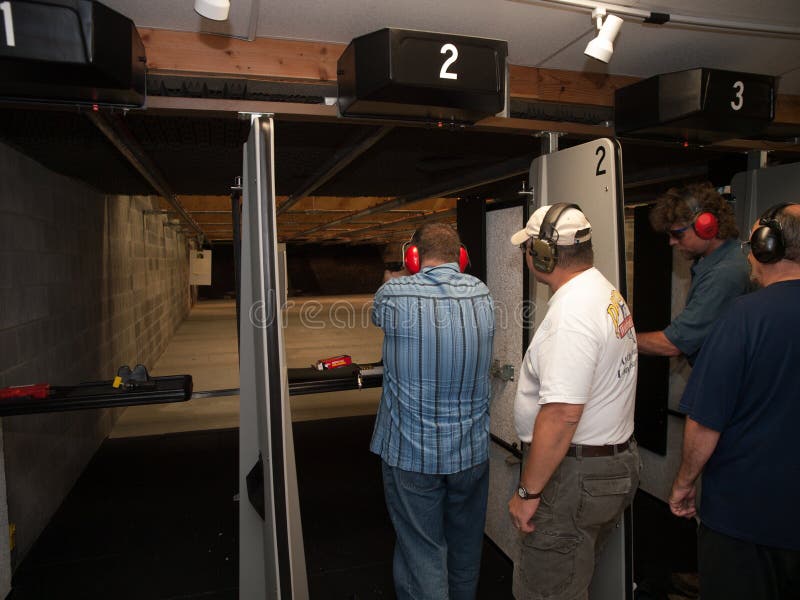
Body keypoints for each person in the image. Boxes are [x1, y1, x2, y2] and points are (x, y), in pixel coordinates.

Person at [507, 203, 640, 600]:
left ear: (543, 254)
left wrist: (528, 494)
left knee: (546, 591)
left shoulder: (572, 315)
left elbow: (563, 414)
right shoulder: (603, 291)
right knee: (572, 578)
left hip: (573, 476)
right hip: (605, 465)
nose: (527, 257)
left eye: (528, 249)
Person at [669, 203, 800, 600]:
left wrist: (684, 483)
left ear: (767, 248)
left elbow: (706, 420)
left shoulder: (744, 316)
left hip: (745, 518)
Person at [370, 222, 495, 600]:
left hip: (412, 453)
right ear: (460, 257)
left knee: (421, 550)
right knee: (465, 545)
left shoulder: (393, 294)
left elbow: (379, 316)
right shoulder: (483, 293)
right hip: (471, 454)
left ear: (414, 256)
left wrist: (397, 276)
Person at [637, 182, 750, 365]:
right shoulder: (714, 261)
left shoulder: (725, 273)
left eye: (678, 234)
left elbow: (672, 344)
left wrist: (620, 341)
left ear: (707, 226)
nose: (672, 242)